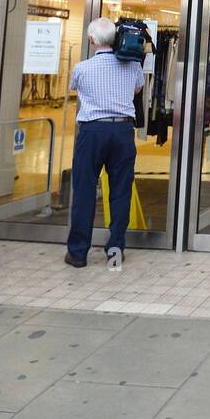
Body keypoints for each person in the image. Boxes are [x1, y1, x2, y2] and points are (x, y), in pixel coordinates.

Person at [65, 17, 144, 269]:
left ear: (91, 40)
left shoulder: (81, 68)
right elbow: (137, 90)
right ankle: (115, 249)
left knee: (85, 189)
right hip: (122, 130)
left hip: (92, 131)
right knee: (121, 191)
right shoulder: (132, 67)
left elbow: (74, 88)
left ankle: (78, 253)